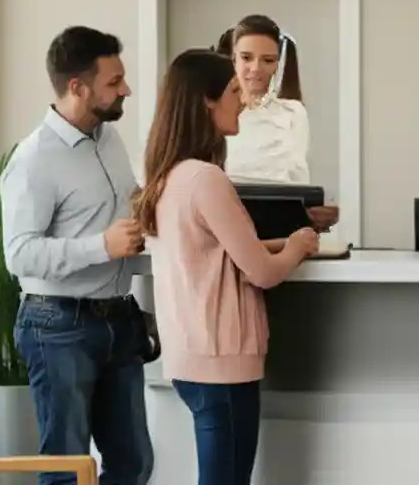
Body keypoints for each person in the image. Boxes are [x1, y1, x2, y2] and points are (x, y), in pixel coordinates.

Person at [133, 48, 318, 485]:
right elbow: (263, 272)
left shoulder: (170, 176)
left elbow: (213, 250)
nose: (243, 101)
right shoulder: (206, 179)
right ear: (206, 102)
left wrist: (284, 242)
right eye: (234, 90)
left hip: (193, 354)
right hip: (221, 357)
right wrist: (296, 247)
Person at [1, 26, 153, 485]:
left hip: (118, 320)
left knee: (134, 465)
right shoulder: (33, 159)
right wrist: (101, 246)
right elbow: (19, 255)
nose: (126, 89)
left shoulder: (110, 139)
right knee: (66, 472)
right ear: (77, 87)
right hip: (58, 328)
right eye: (114, 82)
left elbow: (124, 216)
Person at [216, 15, 338, 231]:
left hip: (281, 224)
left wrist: (312, 214)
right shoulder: (216, 110)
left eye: (268, 60)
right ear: (233, 59)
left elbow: (298, 178)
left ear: (278, 64)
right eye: (246, 58)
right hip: (223, 221)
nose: (256, 68)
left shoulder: (293, 113)